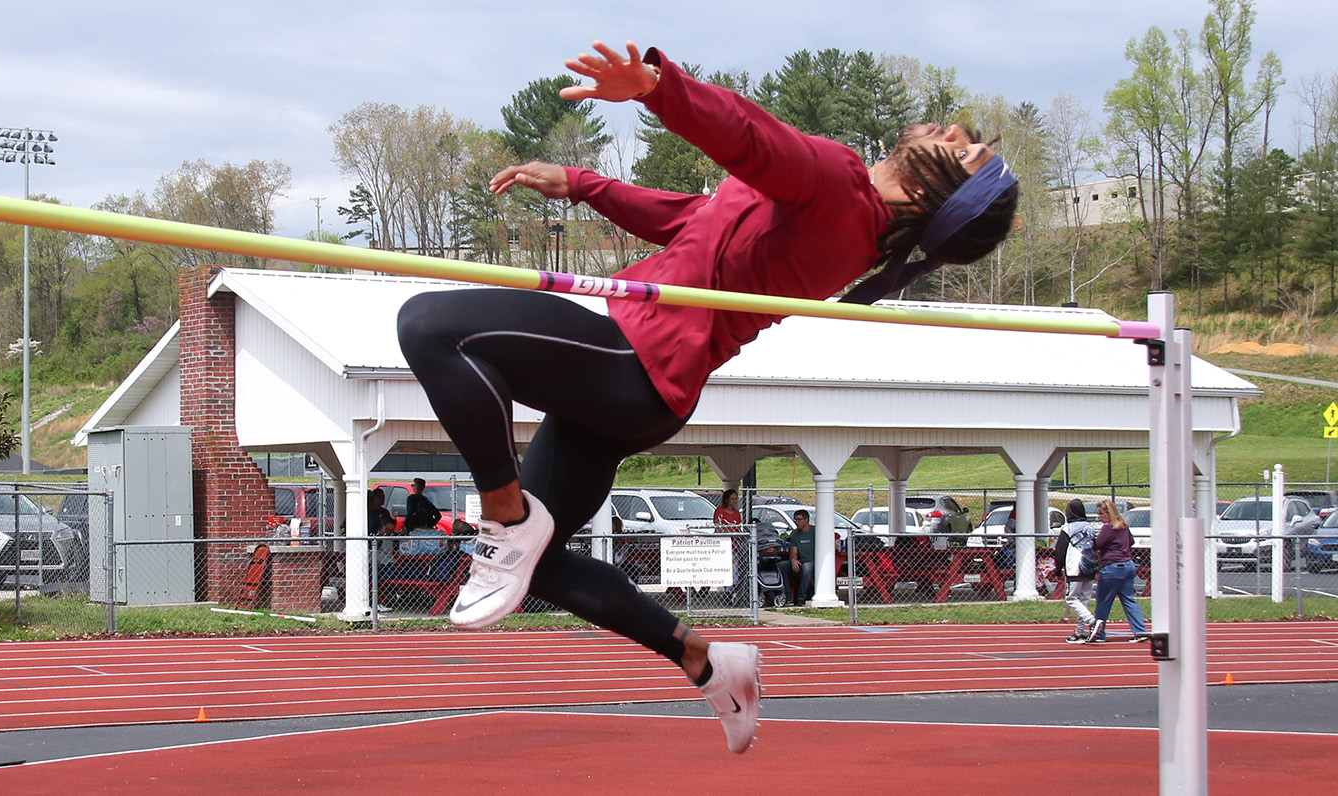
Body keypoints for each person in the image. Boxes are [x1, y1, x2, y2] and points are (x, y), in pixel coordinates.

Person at [395, 39, 1018, 753]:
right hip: (647, 386)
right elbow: (695, 222)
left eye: (962, 149)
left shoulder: (842, 191)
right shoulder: (835, 217)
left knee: (431, 327)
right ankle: (708, 662)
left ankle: (505, 517)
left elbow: (751, 137)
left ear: (940, 194)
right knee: (543, 563)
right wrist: (586, 185)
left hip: (637, 357)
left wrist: (659, 87)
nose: (948, 130)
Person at [1092, 499, 1150, 642]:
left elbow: (1097, 544)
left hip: (1112, 567)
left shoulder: (1107, 527)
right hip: (1127, 565)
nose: (1099, 517)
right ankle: (1141, 631)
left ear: (1107, 513)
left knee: (1103, 601)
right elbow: (1130, 542)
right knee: (1129, 599)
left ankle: (1099, 633)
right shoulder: (1124, 526)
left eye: (1101, 513)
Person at [1053, 498, 1099, 644]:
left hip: (1075, 568)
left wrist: (1058, 568)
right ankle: (1079, 632)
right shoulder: (1090, 528)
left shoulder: (1068, 529)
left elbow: (1060, 551)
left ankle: (1092, 621)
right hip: (1090, 567)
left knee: (1071, 598)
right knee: (1084, 600)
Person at [778, 509, 817, 605]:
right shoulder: (795, 535)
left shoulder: (816, 531)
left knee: (807, 568)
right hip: (801, 561)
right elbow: (793, 552)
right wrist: (793, 559)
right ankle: (788, 596)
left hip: (814, 562)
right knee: (781, 565)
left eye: (800, 520)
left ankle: (801, 597)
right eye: (796, 520)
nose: (797, 522)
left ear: (807, 520)